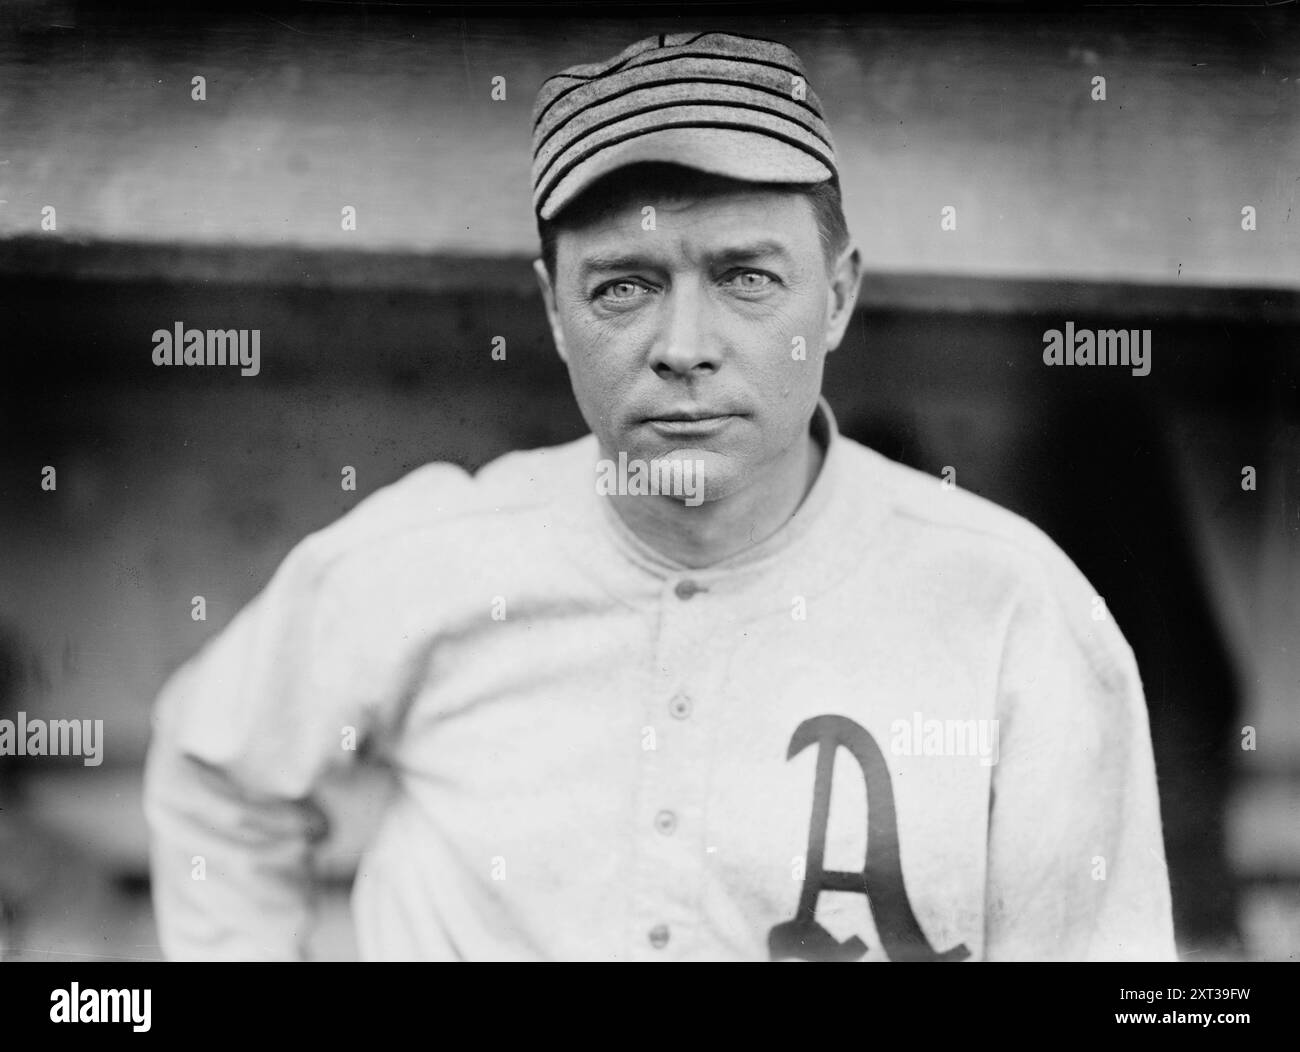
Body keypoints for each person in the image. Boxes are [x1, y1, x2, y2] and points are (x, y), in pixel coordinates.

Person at [144, 30, 1175, 961]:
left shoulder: (1016, 611)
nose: (682, 348)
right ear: (552, 310)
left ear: (841, 294)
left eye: (745, 277)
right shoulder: (429, 554)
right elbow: (213, 772)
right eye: (622, 286)